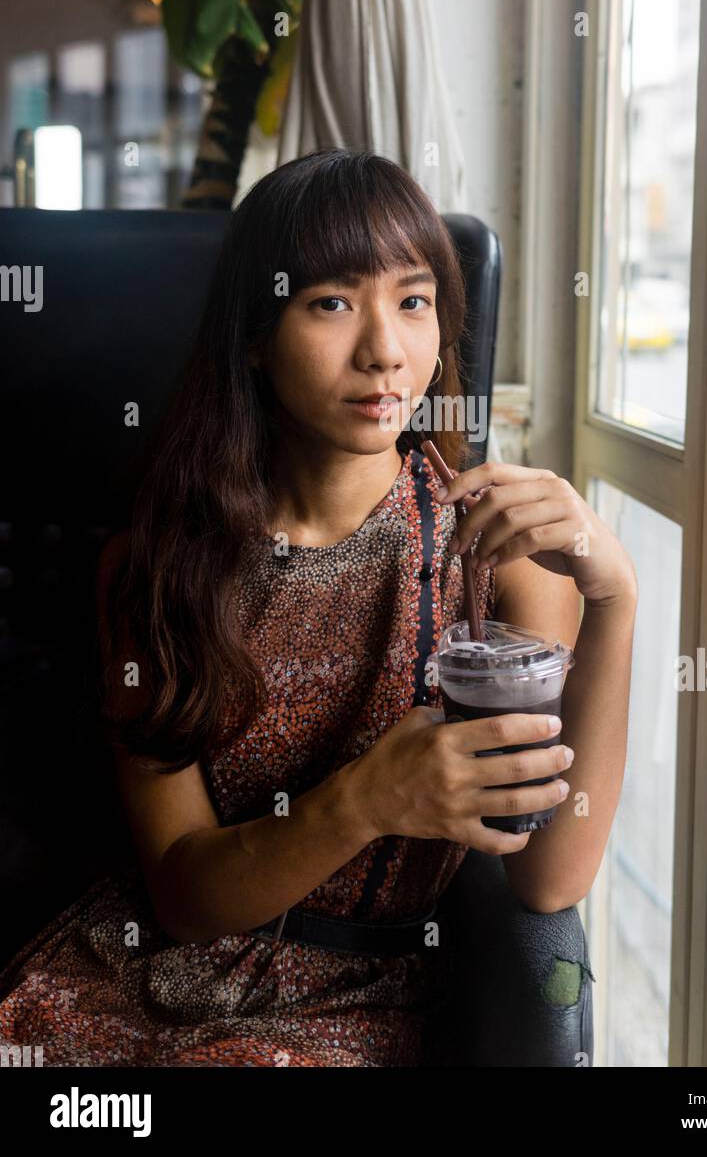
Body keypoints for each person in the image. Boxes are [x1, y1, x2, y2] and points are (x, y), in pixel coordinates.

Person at [0, 147, 637, 1067]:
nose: (385, 350)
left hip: (350, 1005)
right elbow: (182, 894)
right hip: (134, 976)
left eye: (413, 301)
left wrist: (614, 601)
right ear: (254, 335)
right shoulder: (157, 569)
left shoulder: (494, 560)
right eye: (332, 302)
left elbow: (548, 880)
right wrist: (366, 799)